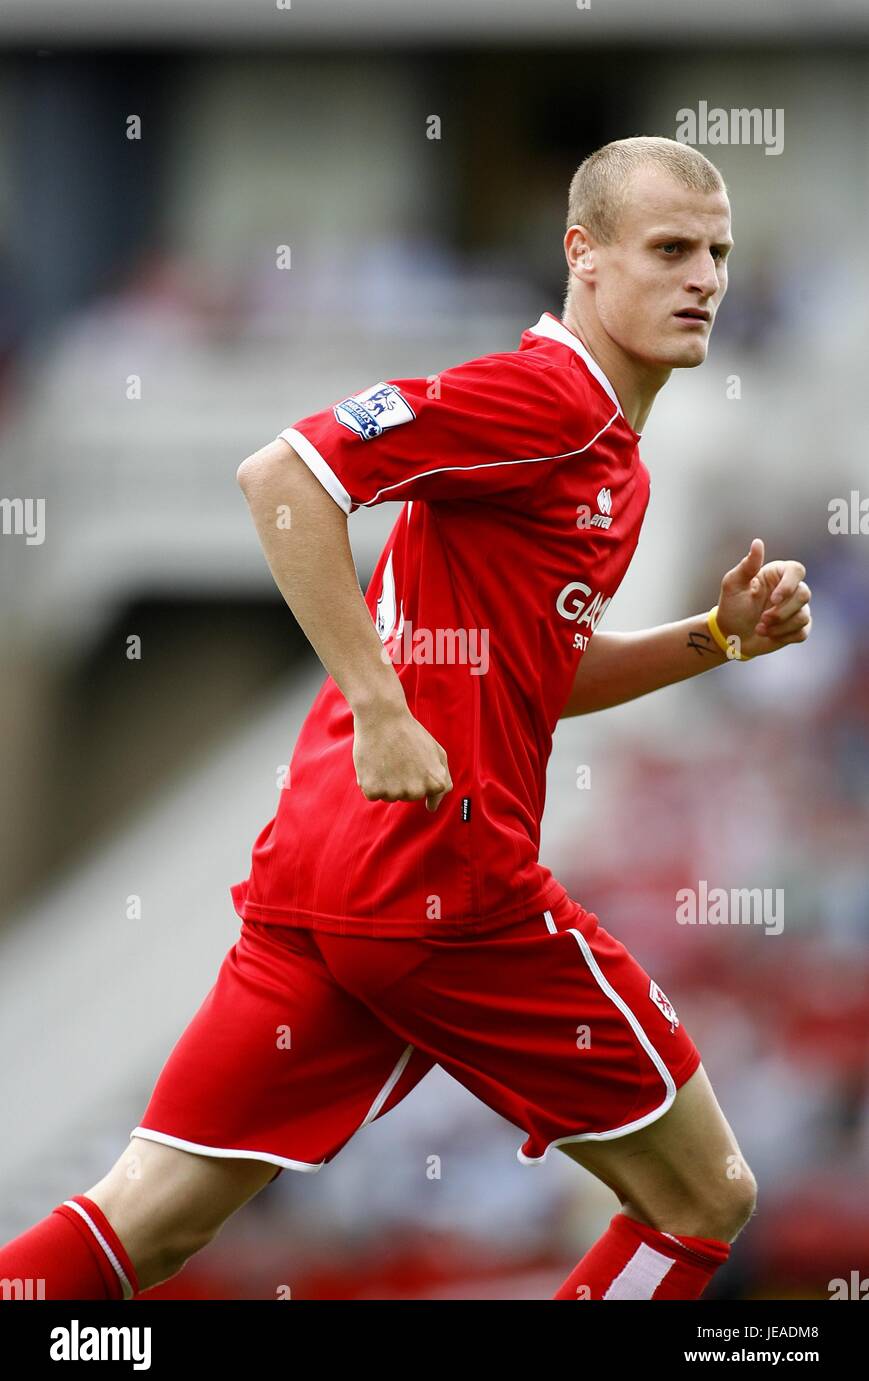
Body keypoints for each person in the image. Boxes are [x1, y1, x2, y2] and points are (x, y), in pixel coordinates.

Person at [0, 136, 812, 1302]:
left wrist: (714, 639)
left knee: (150, 1219)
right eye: (670, 249)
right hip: (439, 881)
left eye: (719, 255)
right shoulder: (546, 400)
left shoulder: (608, 457)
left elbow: (537, 675)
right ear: (581, 257)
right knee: (706, 1194)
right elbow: (283, 476)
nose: (704, 280)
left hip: (326, 875)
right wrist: (381, 709)